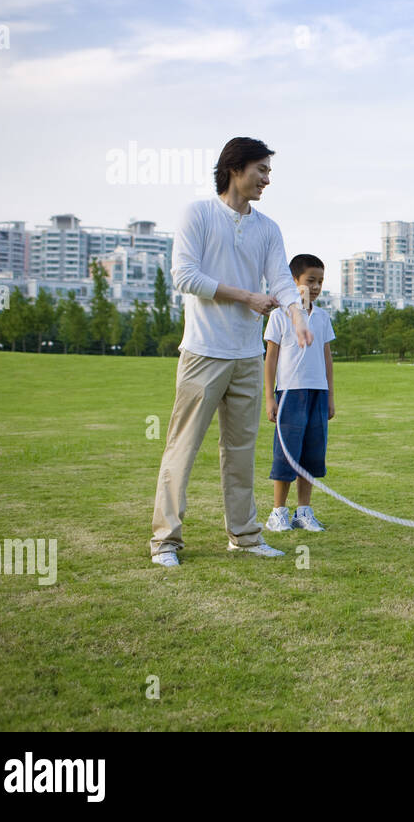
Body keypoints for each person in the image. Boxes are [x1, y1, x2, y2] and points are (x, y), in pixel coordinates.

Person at [149, 137, 312, 566]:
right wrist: (246, 297)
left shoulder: (268, 228)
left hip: (246, 357)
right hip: (203, 352)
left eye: (269, 171)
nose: (267, 179)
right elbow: (184, 276)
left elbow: (279, 277)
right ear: (235, 169)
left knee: (240, 454)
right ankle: (165, 541)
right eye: (262, 170)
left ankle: (244, 535)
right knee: (181, 450)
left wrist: (295, 314)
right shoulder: (198, 214)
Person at [263, 253, 336, 532]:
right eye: (310, 281)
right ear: (295, 281)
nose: (316, 287)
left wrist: (329, 396)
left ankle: (303, 511)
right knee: (286, 454)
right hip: (289, 395)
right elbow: (270, 359)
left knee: (312, 454)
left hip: (317, 393)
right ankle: (278, 512)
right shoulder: (280, 315)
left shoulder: (322, 317)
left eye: (320, 281)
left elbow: (327, 359)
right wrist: (270, 397)